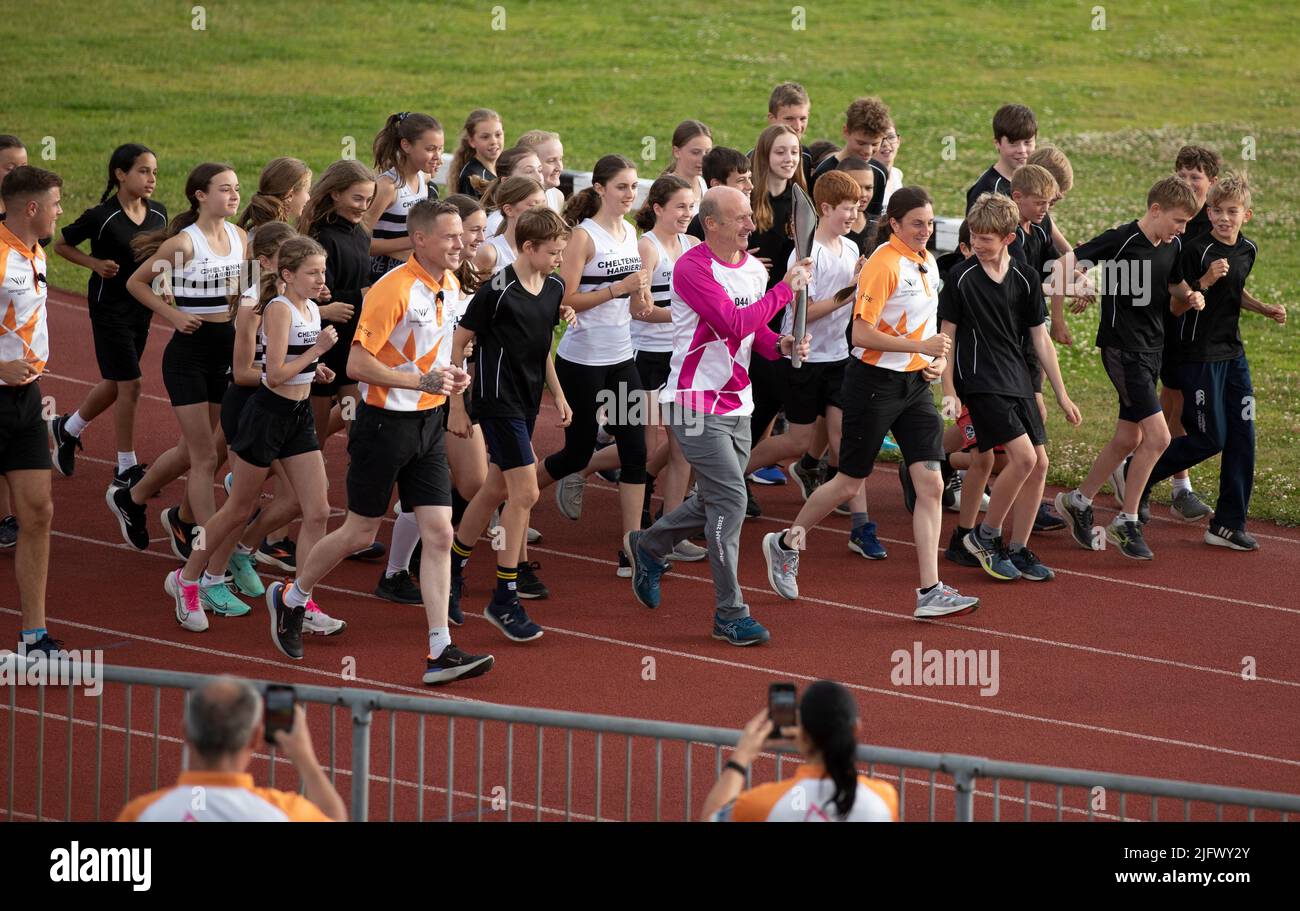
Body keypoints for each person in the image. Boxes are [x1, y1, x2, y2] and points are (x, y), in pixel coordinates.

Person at [265, 199, 493, 684]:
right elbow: (356, 366)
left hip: (427, 425)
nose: (462, 243)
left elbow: (429, 355)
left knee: (440, 534)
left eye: (463, 236)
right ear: (421, 240)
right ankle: (292, 596)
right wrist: (421, 383)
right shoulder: (394, 290)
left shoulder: (450, 285)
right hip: (385, 426)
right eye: (451, 237)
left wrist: (450, 378)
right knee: (360, 533)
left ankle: (440, 649)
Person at [762, 187, 981, 619]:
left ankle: (930, 589)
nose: (926, 230)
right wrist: (920, 344)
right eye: (916, 222)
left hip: (914, 386)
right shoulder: (882, 264)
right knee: (848, 481)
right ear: (894, 223)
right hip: (873, 384)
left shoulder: (927, 262)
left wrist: (930, 361)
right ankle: (787, 542)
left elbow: (919, 324)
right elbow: (860, 334)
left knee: (932, 484)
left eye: (931, 222)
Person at [625, 185, 812, 646]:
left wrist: (781, 345)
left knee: (713, 500)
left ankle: (648, 545)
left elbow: (753, 333)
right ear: (711, 225)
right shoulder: (693, 268)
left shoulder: (750, 269)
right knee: (731, 501)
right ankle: (730, 612)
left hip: (738, 404)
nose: (752, 224)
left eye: (750, 216)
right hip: (692, 403)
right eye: (741, 218)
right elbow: (730, 321)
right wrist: (786, 291)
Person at [168, 236, 345, 637]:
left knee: (317, 509)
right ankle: (188, 578)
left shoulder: (311, 308)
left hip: (297, 416)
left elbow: (291, 365)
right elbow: (275, 374)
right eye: (313, 272)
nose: (322, 279)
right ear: (287, 275)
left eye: (323, 270)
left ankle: (301, 597)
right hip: (266, 415)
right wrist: (315, 351)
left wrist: (315, 368)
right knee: (236, 507)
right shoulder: (279, 309)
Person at [1052, 176, 1204, 560]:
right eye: (1179, 221)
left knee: (1128, 439)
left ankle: (1079, 500)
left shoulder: (1171, 245)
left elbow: (1174, 285)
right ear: (1156, 210)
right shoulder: (1120, 239)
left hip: (1152, 350)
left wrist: (1191, 295)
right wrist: (1075, 287)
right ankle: (1127, 519)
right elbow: (1069, 260)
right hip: (1123, 351)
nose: (1182, 230)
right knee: (1158, 437)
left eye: (1186, 223)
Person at [939, 193, 1080, 583]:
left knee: (1040, 464)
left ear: (1008, 238)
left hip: (1016, 377)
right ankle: (985, 537)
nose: (978, 244)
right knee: (1022, 458)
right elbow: (945, 337)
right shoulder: (961, 278)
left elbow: (1041, 340)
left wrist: (1061, 393)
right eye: (974, 236)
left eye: (987, 238)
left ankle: (1017, 548)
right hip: (979, 380)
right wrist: (948, 388)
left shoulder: (1026, 278)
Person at [744, 170, 885, 559]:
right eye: (847, 208)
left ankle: (862, 527)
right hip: (803, 357)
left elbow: (853, 305)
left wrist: (864, 293)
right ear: (824, 209)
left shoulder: (852, 249)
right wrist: (850, 293)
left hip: (840, 360)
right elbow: (806, 313)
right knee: (799, 441)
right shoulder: (806, 254)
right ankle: (729, 476)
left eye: (857, 207)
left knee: (846, 441)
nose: (854, 215)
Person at [1141, 173, 1285, 551]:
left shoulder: (1248, 250)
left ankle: (1226, 525)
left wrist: (1263, 308)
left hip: (1233, 354)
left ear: (1246, 215)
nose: (1224, 218)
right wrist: (1203, 281)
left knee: (1243, 436)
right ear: (1208, 211)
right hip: (1196, 356)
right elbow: (1173, 305)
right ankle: (1136, 474)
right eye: (1217, 211)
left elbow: (1236, 290)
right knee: (1209, 438)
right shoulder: (1195, 251)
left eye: (1232, 211)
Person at [449, 208, 573, 641]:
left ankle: (451, 566)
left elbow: (540, 348)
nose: (560, 259)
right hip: (494, 399)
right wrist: (457, 406)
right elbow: (460, 341)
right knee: (526, 492)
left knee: (495, 489)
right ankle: (505, 597)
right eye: (553, 252)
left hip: (525, 402)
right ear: (527, 248)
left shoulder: (554, 287)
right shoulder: (498, 290)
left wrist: (556, 392)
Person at [111, 164, 246, 556]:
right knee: (204, 455)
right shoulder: (185, 244)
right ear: (200, 195)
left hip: (226, 355)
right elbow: (136, 282)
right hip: (188, 357)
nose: (234, 195)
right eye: (224, 189)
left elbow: (249, 292)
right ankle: (212, 543)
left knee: (199, 451)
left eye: (236, 188)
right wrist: (172, 315)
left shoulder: (240, 238)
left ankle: (132, 498)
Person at [536, 154, 651, 577]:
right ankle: (508, 499)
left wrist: (642, 300)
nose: (629, 194)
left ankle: (631, 548)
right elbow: (563, 299)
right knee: (577, 451)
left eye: (634, 186)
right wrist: (616, 289)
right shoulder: (583, 237)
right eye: (622, 186)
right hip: (582, 361)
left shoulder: (630, 232)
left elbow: (635, 297)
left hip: (622, 359)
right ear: (600, 188)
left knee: (637, 450)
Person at [50, 144, 167, 484]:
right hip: (108, 310)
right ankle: (126, 466)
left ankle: (66, 429)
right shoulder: (102, 216)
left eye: (154, 172)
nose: (151, 179)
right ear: (120, 174)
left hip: (141, 310)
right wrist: (94, 263)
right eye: (143, 171)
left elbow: (157, 258)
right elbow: (62, 244)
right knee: (131, 384)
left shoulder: (158, 214)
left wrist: (165, 282)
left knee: (117, 383)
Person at [117, 676, 345, 821]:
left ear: (186, 732)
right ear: (256, 738)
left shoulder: (141, 813)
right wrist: (304, 756)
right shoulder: (284, 811)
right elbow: (333, 818)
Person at [0, 165, 64, 655]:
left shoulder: (35, 252)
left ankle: (33, 636)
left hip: (24, 400)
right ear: (32, 208)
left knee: (38, 512)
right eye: (57, 203)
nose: (62, 211)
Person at [1149, 145, 1224, 521]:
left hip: (1204, 330)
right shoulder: (1176, 220)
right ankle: (1176, 484)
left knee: (1168, 403)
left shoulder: (1217, 223)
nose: (1188, 182)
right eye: (1182, 174)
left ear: (1211, 183)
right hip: (1172, 321)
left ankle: (1140, 470)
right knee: (1174, 402)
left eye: (1195, 176)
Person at [701, 680, 898, 822]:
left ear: (803, 734)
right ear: (856, 729)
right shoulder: (884, 798)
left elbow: (712, 817)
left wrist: (741, 756)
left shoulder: (765, 803)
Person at [301, 159, 378, 443]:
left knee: (358, 431)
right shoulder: (320, 235)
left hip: (350, 346)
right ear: (335, 193)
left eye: (369, 199)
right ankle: (245, 477)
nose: (363, 206)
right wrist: (359, 295)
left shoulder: (360, 233)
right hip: (321, 348)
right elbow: (316, 292)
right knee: (313, 438)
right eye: (357, 198)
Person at [365, 112, 443, 285]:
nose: (437, 156)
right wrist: (411, 241)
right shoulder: (388, 187)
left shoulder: (423, 177)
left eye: (440, 148)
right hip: (384, 272)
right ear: (406, 146)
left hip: (413, 267)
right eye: (430, 149)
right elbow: (361, 243)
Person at [807, 96, 889, 199]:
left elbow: (874, 214)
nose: (868, 151)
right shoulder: (824, 172)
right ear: (846, 131)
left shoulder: (879, 172)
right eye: (861, 143)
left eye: (875, 144)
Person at [966, 104, 1037, 212]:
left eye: (1027, 142)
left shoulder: (1035, 179)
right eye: (1013, 143)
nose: (1022, 150)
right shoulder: (988, 193)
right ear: (997, 143)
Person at [684, 146, 753, 240]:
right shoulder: (700, 227)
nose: (750, 186)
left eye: (749, 178)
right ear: (717, 185)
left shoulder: (756, 215)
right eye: (741, 180)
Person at [448, 108, 504, 198]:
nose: (494, 141)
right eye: (485, 137)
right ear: (471, 141)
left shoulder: (506, 167)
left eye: (498, 135)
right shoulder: (473, 178)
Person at [661, 120, 712, 210]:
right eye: (695, 152)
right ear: (676, 152)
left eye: (707, 152)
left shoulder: (702, 182)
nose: (703, 159)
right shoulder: (666, 188)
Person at [515, 129, 566, 213]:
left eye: (560, 159)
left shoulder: (557, 197)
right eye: (551, 160)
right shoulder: (517, 205)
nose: (559, 167)